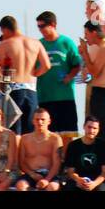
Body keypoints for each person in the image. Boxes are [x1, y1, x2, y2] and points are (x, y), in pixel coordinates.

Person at [0, 15, 52, 135]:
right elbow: (47, 65)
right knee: (30, 133)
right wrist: (35, 73)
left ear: (5, 29)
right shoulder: (36, 43)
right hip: (31, 90)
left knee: (14, 134)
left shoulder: (4, 45)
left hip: (14, 90)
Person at [36, 11, 82, 140]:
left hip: (65, 96)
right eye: (38, 26)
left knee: (67, 133)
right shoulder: (38, 44)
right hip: (45, 96)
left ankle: (66, 160)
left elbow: (77, 64)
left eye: (43, 26)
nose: (41, 30)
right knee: (48, 135)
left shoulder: (67, 42)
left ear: (53, 24)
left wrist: (69, 76)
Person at [82, 21, 105, 144]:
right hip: (99, 92)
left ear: (94, 33)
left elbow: (95, 72)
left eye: (86, 33)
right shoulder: (103, 48)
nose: (85, 37)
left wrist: (85, 52)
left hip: (103, 93)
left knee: (102, 132)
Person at [14, 108, 63, 191]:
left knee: (53, 187)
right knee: (21, 185)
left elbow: (57, 164)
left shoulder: (55, 139)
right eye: (37, 119)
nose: (40, 122)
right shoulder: (25, 139)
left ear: (49, 121)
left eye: (43, 119)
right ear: (33, 121)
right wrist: (32, 174)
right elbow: (21, 163)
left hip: (49, 174)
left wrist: (46, 180)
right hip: (31, 174)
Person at [61, 116, 105, 192]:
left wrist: (94, 184)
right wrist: (79, 180)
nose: (91, 130)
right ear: (84, 127)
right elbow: (70, 172)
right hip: (78, 180)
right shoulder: (73, 145)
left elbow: (104, 172)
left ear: (98, 130)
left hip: (97, 181)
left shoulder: (103, 145)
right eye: (89, 127)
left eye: (95, 128)